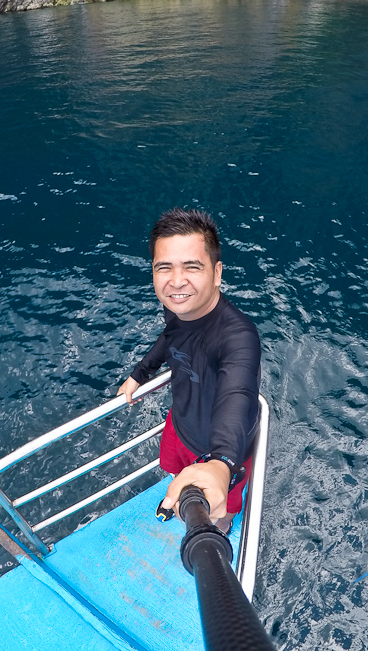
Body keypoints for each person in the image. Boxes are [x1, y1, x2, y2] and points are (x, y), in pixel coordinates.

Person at [117, 208, 261, 533]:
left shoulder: (239, 336)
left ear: (217, 273)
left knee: (221, 507)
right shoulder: (177, 306)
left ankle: (221, 520)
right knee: (172, 470)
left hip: (222, 449)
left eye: (192, 267)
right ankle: (181, 492)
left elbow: (238, 393)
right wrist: (140, 373)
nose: (176, 280)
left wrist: (221, 463)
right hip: (179, 426)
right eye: (164, 267)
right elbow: (169, 338)